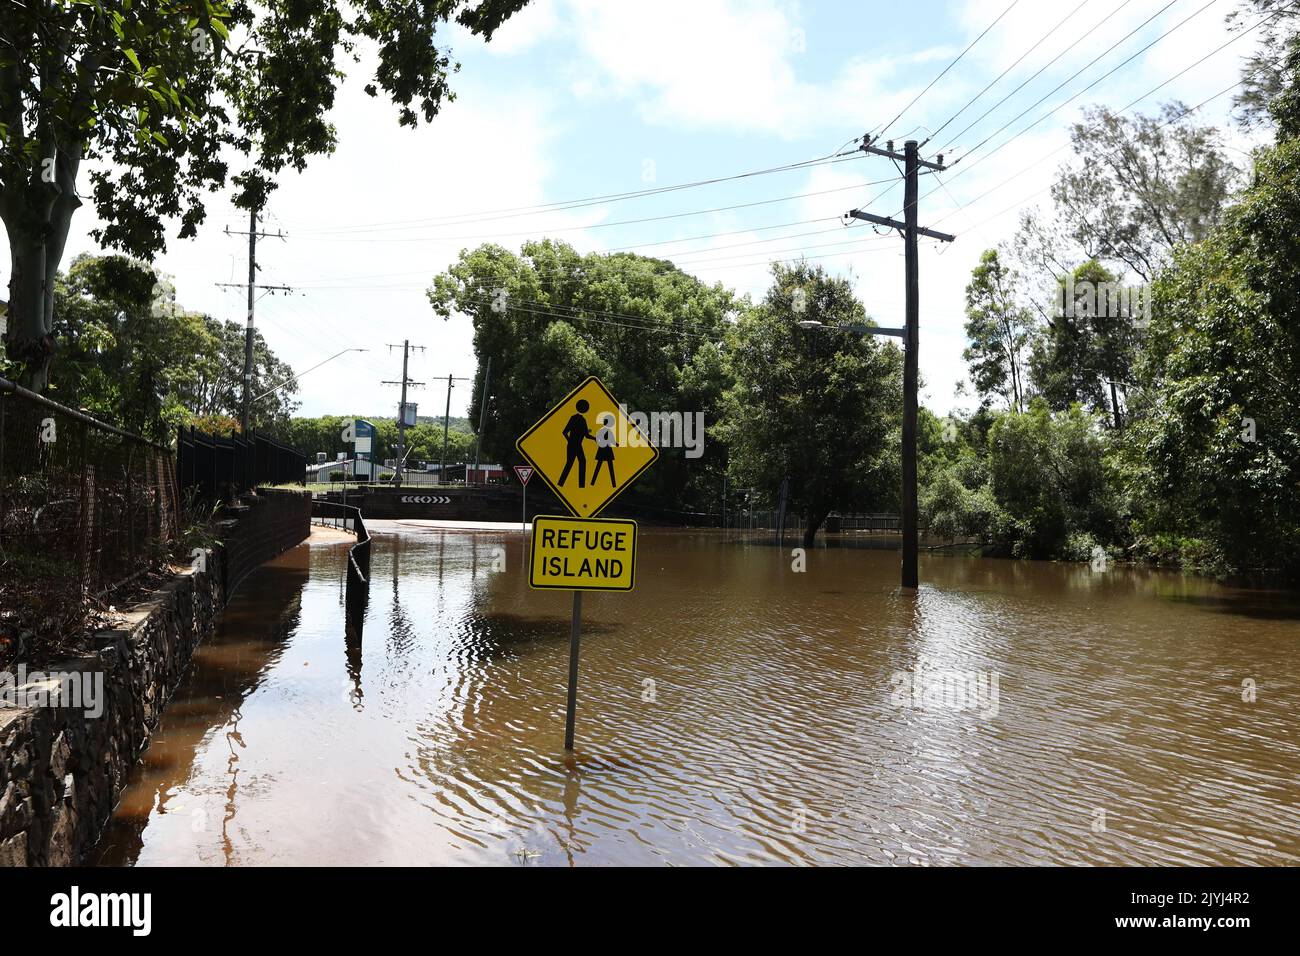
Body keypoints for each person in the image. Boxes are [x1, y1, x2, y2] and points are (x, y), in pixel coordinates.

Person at [558, 399, 595, 488]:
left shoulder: (574, 418)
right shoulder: (582, 420)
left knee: (575, 462)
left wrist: (570, 441)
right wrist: (595, 439)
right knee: (577, 462)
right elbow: (586, 435)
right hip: (575, 445)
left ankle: (563, 483)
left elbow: (566, 432)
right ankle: (579, 485)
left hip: (574, 445)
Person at [592, 412, 618, 487]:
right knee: (610, 467)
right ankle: (613, 484)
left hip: (602, 449)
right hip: (607, 450)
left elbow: (596, 439)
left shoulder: (600, 430)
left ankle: (593, 482)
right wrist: (616, 444)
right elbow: (612, 440)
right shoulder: (608, 431)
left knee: (599, 466)